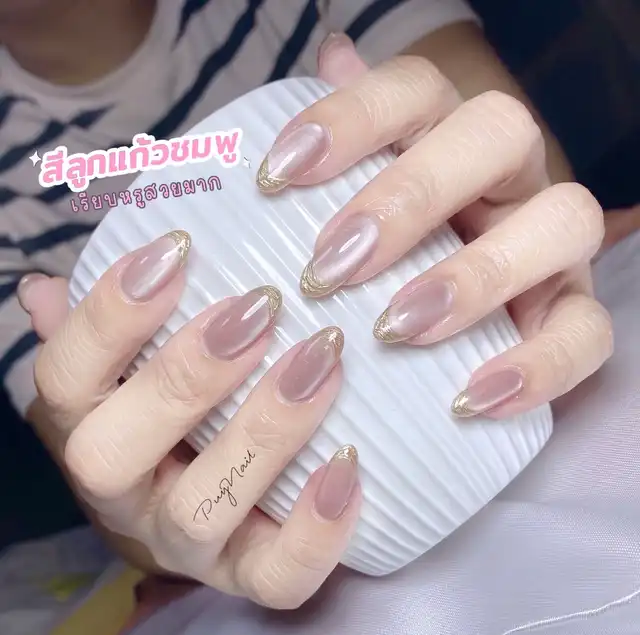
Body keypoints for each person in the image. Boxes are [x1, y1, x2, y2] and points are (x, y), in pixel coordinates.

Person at [2, 0, 639, 619]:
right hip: (347, 549)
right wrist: (156, 509)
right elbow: (120, 503)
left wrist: (512, 215)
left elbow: (528, 191)